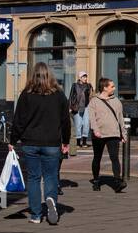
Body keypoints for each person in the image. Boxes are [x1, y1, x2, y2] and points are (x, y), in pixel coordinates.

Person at [9, 61, 70, 224]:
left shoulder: (26, 94)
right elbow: (65, 120)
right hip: (52, 143)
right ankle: (50, 198)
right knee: (51, 176)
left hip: (30, 143)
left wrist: (12, 140)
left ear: (33, 76)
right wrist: (66, 141)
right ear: (49, 75)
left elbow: (19, 120)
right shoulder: (58, 94)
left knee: (34, 178)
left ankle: (36, 215)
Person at [86, 77, 127, 193]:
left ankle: (118, 182)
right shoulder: (94, 101)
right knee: (97, 158)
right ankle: (96, 181)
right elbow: (92, 118)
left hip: (113, 133)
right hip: (99, 134)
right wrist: (95, 130)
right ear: (105, 88)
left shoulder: (116, 101)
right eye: (112, 86)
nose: (114, 88)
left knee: (114, 158)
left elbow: (120, 119)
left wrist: (123, 134)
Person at [68, 72, 93, 148]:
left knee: (86, 124)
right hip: (77, 107)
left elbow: (91, 96)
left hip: (86, 107)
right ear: (79, 78)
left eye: (86, 77)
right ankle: (78, 143)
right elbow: (71, 96)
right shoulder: (74, 85)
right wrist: (70, 107)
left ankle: (84, 142)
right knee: (78, 124)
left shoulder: (89, 85)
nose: (85, 78)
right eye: (83, 77)